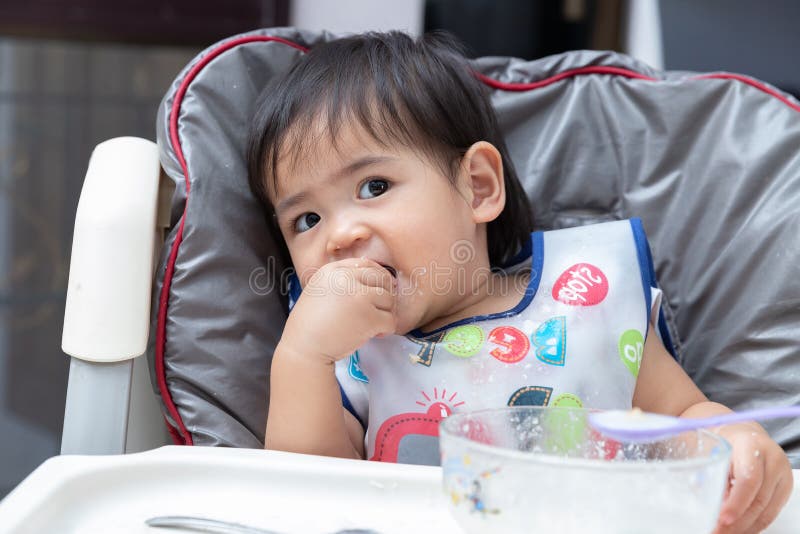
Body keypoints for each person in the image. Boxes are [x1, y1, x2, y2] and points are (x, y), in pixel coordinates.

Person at [247, 31, 791, 533]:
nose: (340, 236)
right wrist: (301, 357)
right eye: (306, 221)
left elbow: (687, 419)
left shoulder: (586, 302)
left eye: (373, 186)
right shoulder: (349, 358)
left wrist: (734, 443)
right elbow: (304, 498)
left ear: (478, 187)